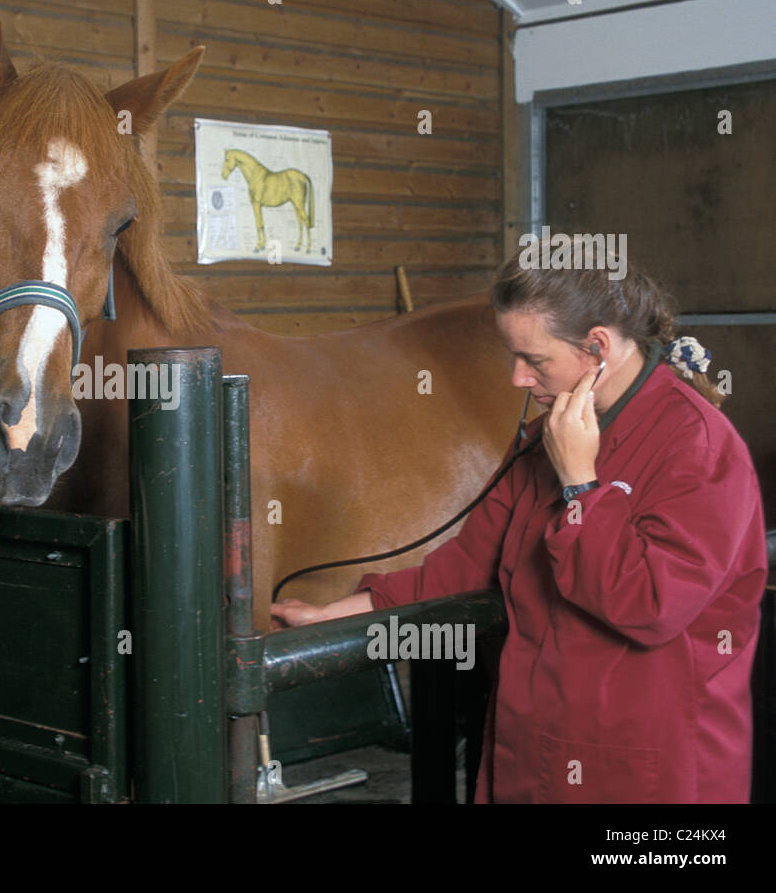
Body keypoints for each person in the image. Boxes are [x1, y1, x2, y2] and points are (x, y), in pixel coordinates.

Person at [271, 250, 767, 803]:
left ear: (598, 347)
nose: (517, 378)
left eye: (534, 359)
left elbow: (650, 605)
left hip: (645, 767)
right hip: (533, 748)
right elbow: (466, 566)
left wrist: (580, 483)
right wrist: (333, 617)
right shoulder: (540, 441)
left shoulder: (696, 444)